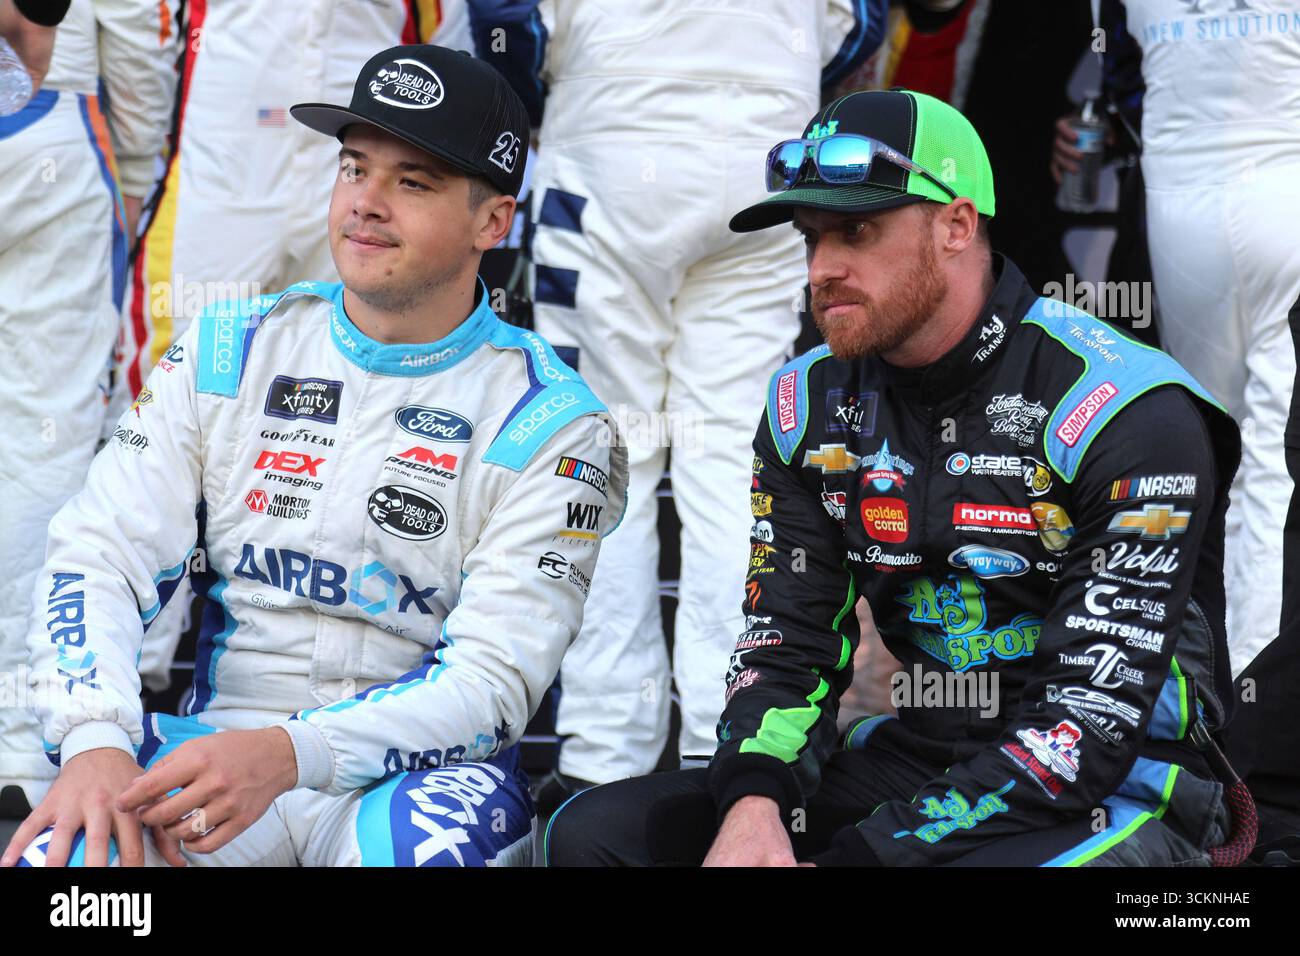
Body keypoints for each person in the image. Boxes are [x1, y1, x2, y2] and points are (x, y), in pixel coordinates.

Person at [545, 89, 1243, 867]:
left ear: (956, 225)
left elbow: (1087, 723)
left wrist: (864, 860)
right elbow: (788, 645)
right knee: (592, 837)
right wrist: (755, 805)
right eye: (811, 237)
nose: (822, 268)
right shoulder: (807, 403)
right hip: (919, 757)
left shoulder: (1122, 405)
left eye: (856, 231)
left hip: (1115, 787)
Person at [2, 44, 626, 869]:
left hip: (415, 782)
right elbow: (98, 554)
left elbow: (490, 688)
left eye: (413, 182)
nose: (365, 204)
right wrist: (93, 742)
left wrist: (289, 754)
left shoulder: (551, 421)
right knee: (73, 877)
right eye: (354, 167)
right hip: (211, 754)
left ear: (493, 222)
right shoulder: (232, 346)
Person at [474, 0, 969, 803]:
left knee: (601, 460)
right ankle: (729, 753)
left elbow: (508, 21)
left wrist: (545, 87)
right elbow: (862, 26)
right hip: (764, 145)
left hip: (610, 138)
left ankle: (605, 761)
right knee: (736, 468)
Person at [110, 0, 476, 704]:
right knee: (171, 395)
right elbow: (142, 31)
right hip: (218, 153)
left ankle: (354, 661)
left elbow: (450, 48)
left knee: (372, 390)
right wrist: (135, 167)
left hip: (363, 156)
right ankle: (134, 673)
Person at [0, 0, 176, 817]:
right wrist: (128, 186)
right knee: (43, 450)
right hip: (49, 122)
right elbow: (139, 42)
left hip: (47, 114)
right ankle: (18, 749)